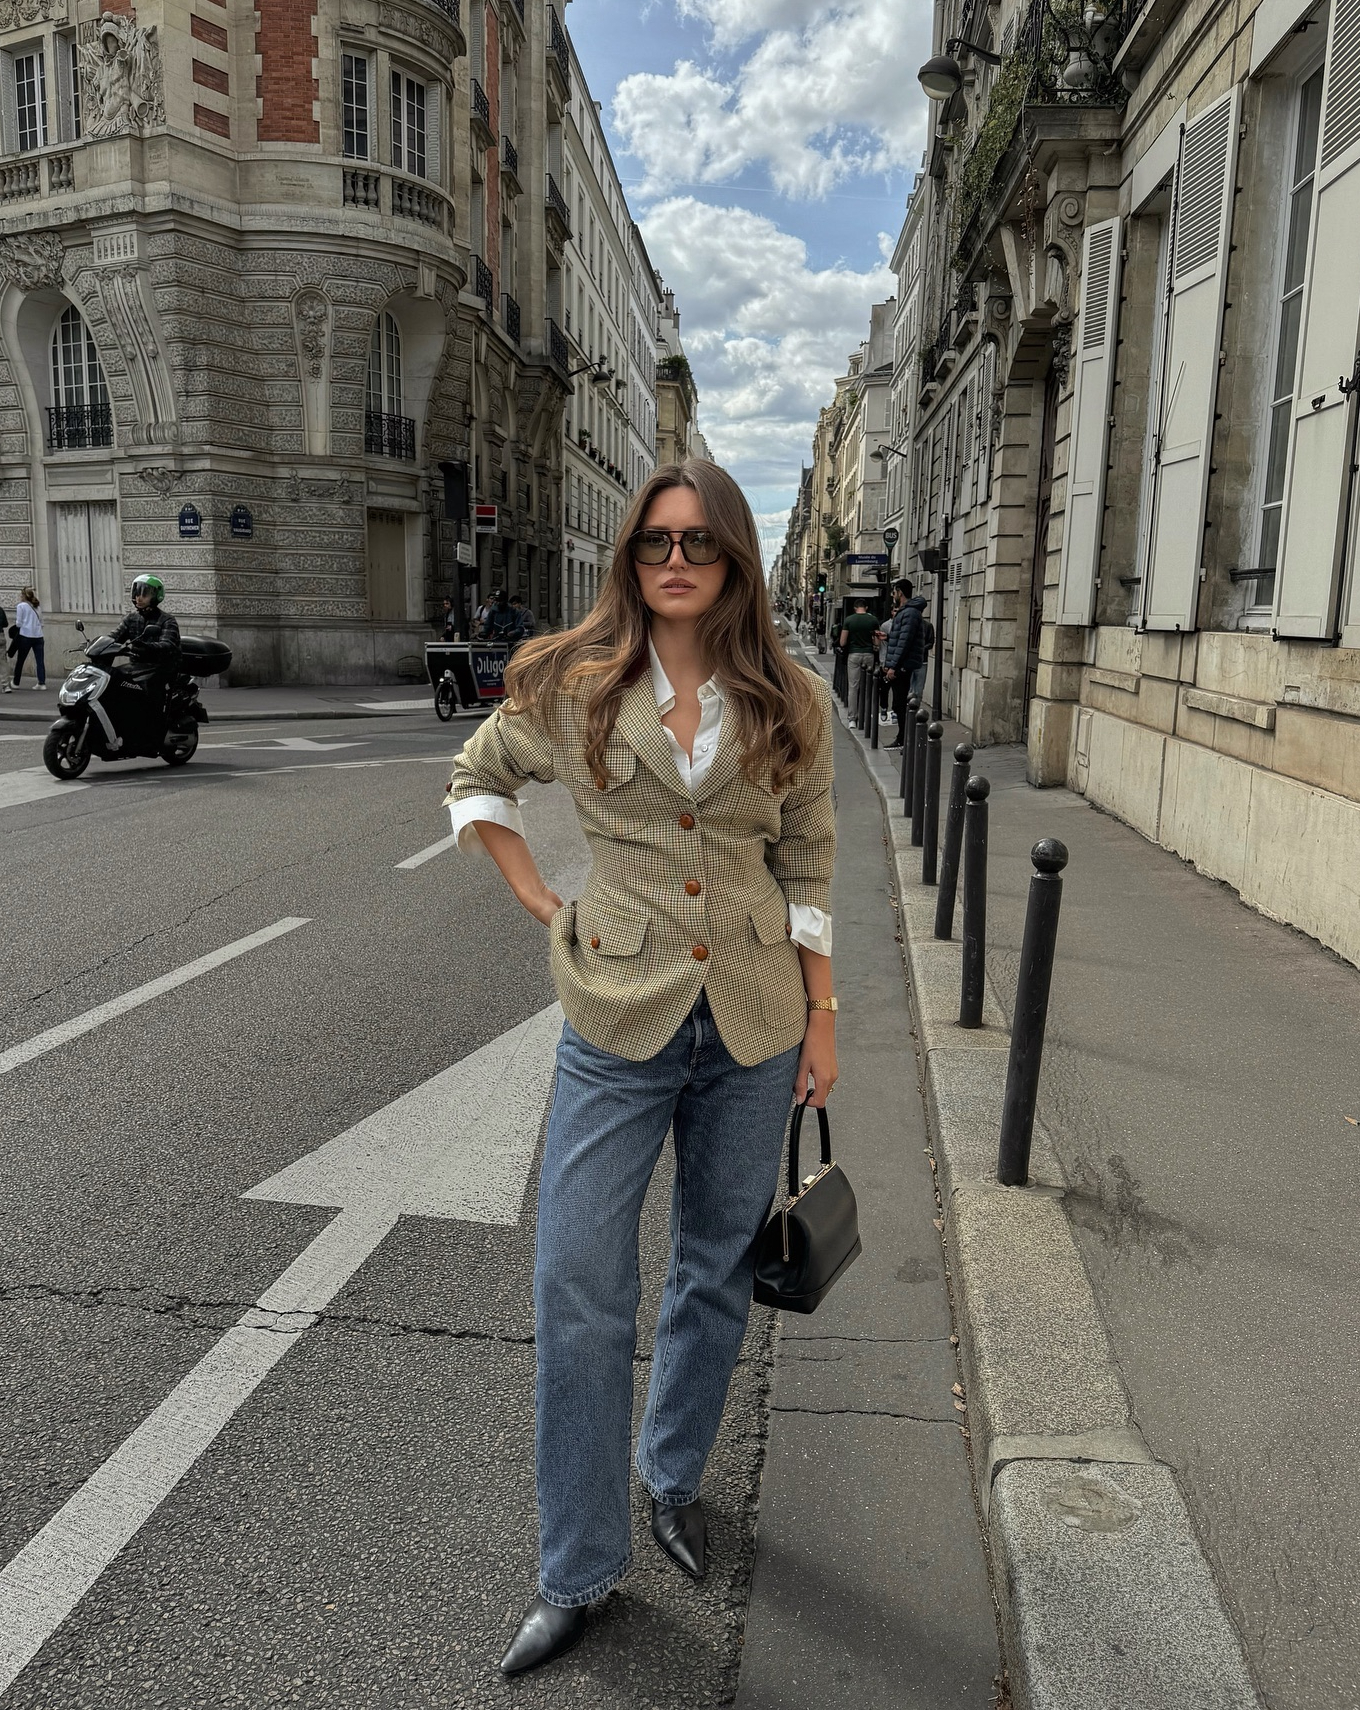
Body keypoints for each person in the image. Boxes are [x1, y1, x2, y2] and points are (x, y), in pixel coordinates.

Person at [444, 459, 837, 1678]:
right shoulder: (576, 686)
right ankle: (576, 1569)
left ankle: (671, 1477)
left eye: (700, 542)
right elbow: (477, 778)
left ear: (734, 559)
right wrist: (541, 902)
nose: (676, 560)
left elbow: (810, 864)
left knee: (713, 1271)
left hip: (756, 1021)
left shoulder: (791, 700)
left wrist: (824, 1019)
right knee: (578, 1280)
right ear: (632, 555)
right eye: (657, 541)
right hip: (616, 1017)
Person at [110, 575, 182, 711]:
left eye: (145, 594)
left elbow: (167, 644)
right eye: (137, 593)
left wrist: (147, 647)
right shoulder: (131, 619)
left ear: (156, 596)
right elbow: (114, 636)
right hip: (137, 667)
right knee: (114, 679)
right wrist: (98, 644)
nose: (139, 598)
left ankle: (154, 720)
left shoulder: (167, 620)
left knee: (149, 694)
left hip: (161, 667)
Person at [881, 580, 917, 748]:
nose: (893, 596)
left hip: (902, 665)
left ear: (900, 593)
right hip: (901, 663)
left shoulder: (909, 613)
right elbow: (901, 639)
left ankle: (904, 739)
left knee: (900, 704)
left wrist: (893, 667)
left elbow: (904, 642)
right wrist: (887, 637)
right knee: (898, 704)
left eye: (894, 592)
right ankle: (903, 738)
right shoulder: (906, 612)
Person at [838, 598, 878, 725]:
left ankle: (852, 718)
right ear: (866, 607)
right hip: (869, 654)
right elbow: (877, 642)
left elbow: (842, 642)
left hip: (854, 654)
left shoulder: (849, 620)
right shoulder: (873, 620)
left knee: (853, 687)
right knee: (867, 686)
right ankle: (865, 716)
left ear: (855, 608)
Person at [7, 587, 45, 692]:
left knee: (20, 660)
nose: (20, 596)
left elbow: (19, 623)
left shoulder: (21, 606)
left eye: (21, 595)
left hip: (25, 635)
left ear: (24, 596)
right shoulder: (37, 606)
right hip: (38, 636)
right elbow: (41, 623)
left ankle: (16, 682)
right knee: (40, 661)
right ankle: (41, 683)